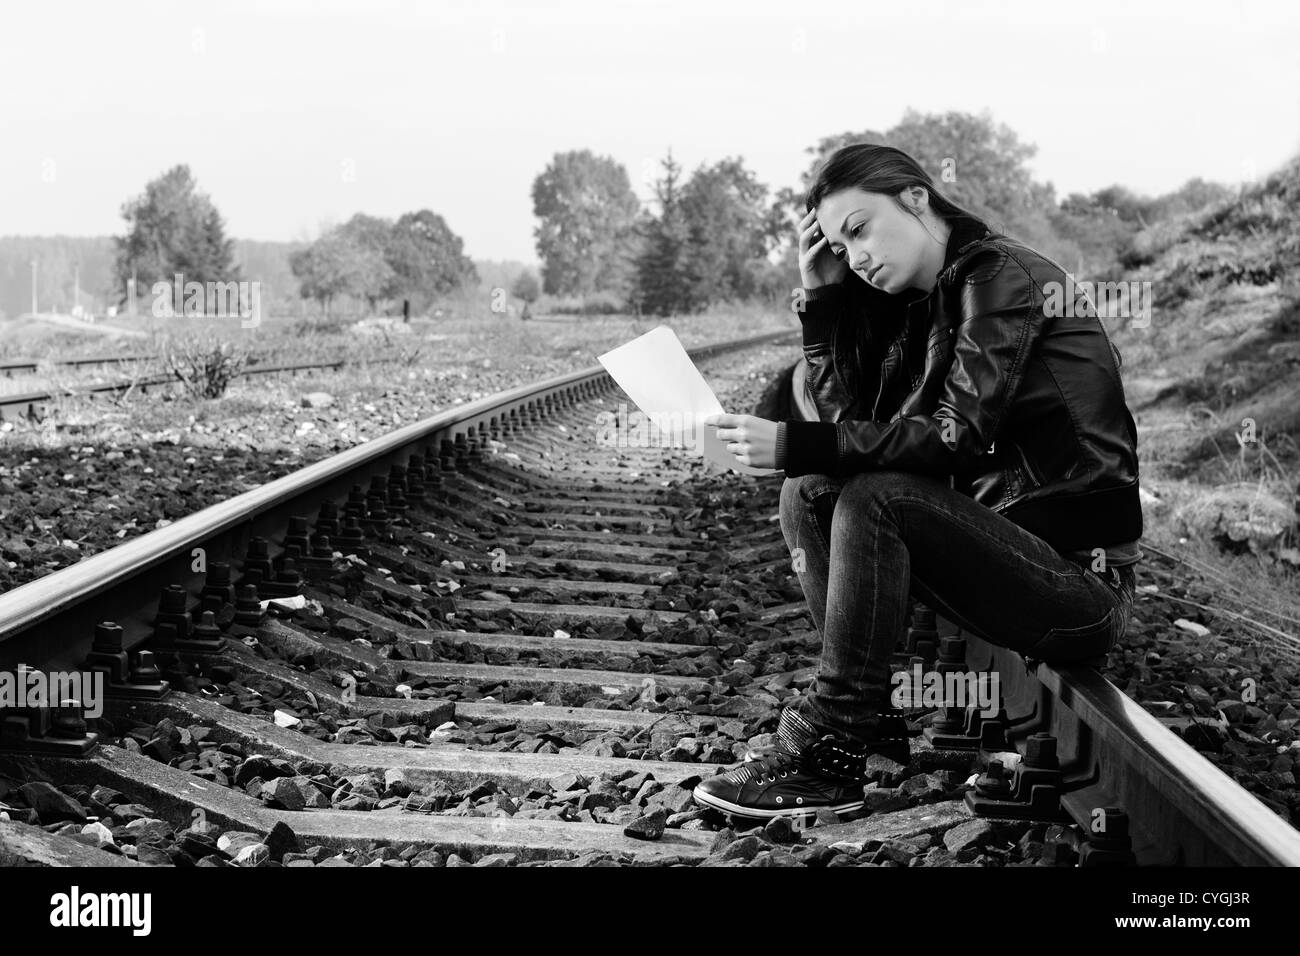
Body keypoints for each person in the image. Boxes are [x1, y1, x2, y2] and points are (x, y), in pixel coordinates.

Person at [693, 143, 1143, 821]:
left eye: (859, 229)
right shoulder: (924, 303)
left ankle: (830, 741)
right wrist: (820, 302)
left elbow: (950, 436)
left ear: (914, 197)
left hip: (1083, 583)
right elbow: (862, 437)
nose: (856, 257)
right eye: (839, 249)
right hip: (1017, 555)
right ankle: (868, 728)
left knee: (878, 499)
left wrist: (797, 439)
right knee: (811, 491)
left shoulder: (1000, 277)